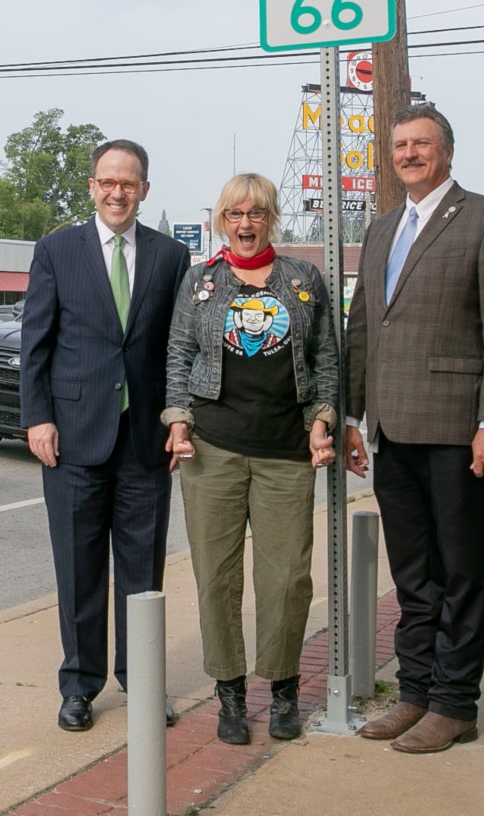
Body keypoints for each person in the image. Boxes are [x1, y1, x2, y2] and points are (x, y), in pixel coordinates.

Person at [344, 103, 484, 753]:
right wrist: (349, 413)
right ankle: (416, 693)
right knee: (414, 575)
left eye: (422, 144)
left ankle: (456, 704)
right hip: (392, 429)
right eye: (400, 145)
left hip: (459, 431)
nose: (410, 154)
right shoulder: (382, 229)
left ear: (447, 151)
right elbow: (364, 328)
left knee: (462, 572)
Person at [20, 138, 190, 733]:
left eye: (130, 182)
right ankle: (79, 685)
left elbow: (178, 350)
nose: (118, 192)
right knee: (79, 568)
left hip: (146, 441)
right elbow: (35, 342)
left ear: (145, 189)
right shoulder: (55, 250)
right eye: (107, 182)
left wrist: (179, 419)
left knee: (143, 573)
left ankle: (141, 682)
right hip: (70, 439)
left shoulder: (171, 258)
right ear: (92, 186)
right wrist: (36, 416)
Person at [164, 172, 339, 746]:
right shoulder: (200, 282)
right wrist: (178, 420)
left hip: (286, 452)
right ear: (221, 221)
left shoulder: (302, 278)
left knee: (287, 579)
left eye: (256, 214)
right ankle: (230, 695)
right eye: (234, 215)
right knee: (216, 578)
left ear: (271, 219)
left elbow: (327, 361)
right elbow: (179, 357)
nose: (245, 224)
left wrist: (324, 418)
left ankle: (283, 688)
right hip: (211, 450)